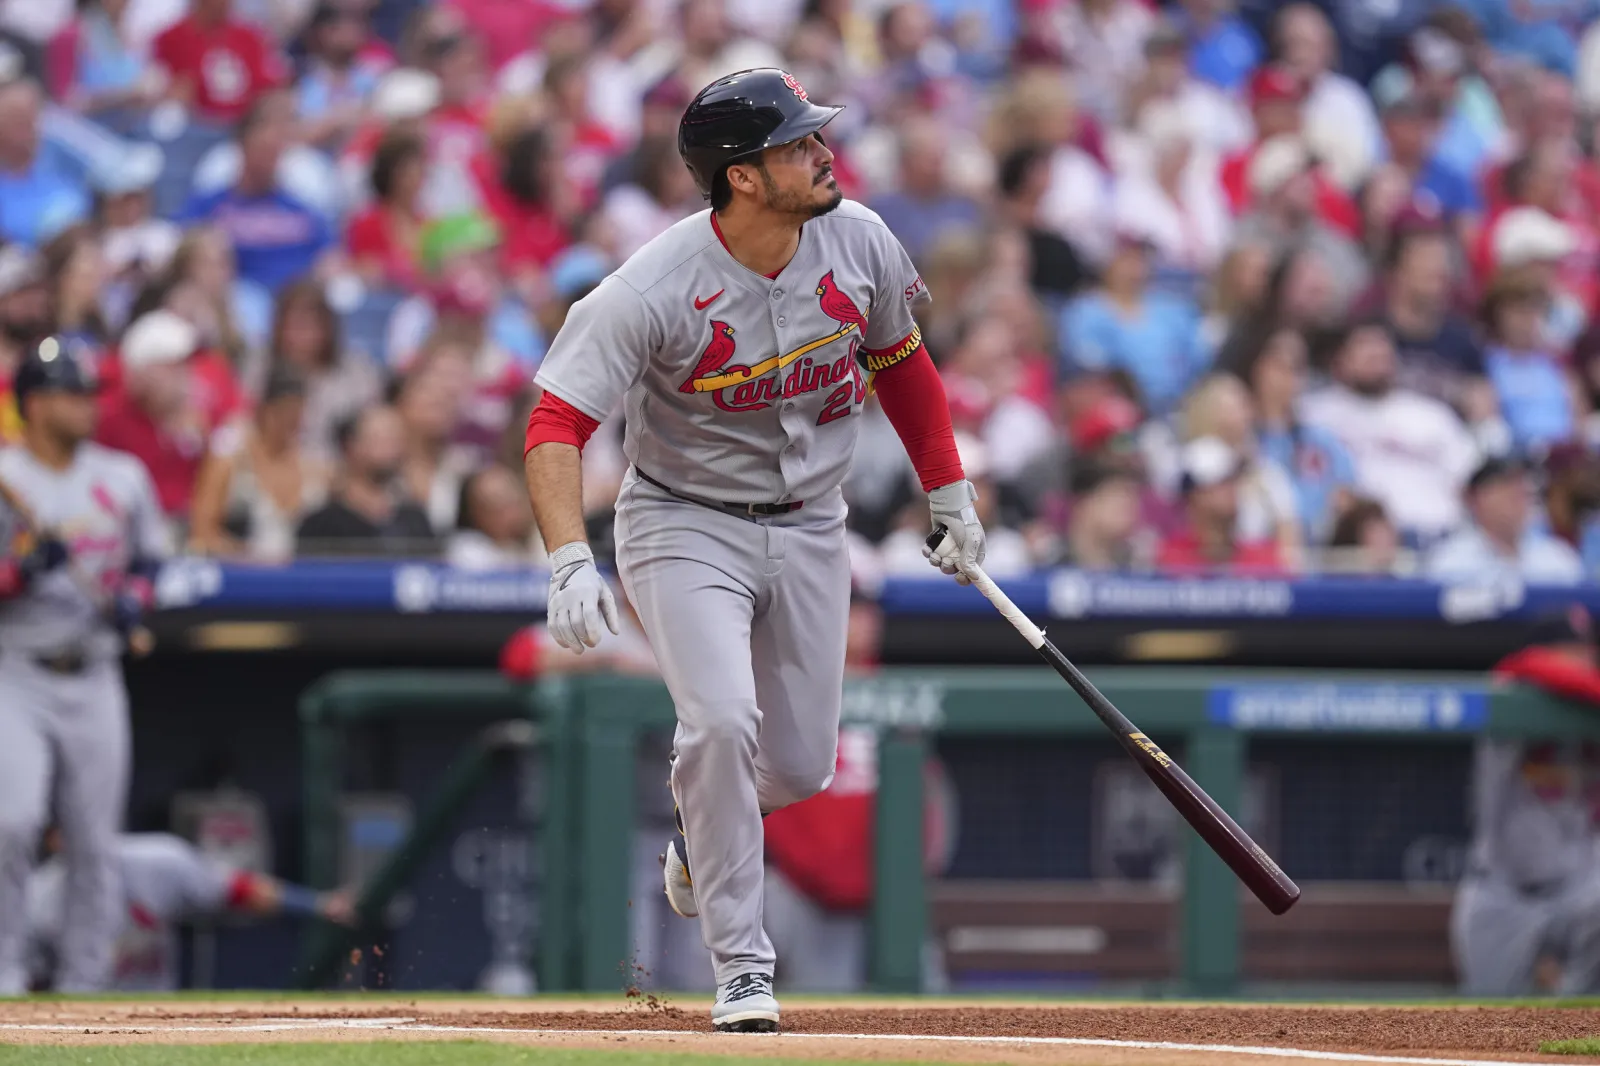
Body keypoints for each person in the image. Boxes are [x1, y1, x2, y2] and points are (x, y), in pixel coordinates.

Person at [522, 68, 985, 1033]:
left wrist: (948, 491)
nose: (824, 153)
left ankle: (699, 823)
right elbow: (556, 422)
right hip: (683, 519)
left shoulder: (861, 238)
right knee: (722, 723)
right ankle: (741, 969)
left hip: (813, 519)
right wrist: (568, 557)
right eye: (798, 144)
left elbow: (902, 360)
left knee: (801, 767)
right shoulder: (651, 285)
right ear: (741, 176)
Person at [0, 336, 166, 993]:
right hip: (16, 668)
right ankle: (5, 977)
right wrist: (18, 573)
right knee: (11, 821)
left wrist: (133, 600)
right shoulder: (8, 476)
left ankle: (84, 987)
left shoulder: (122, 476)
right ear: (36, 403)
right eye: (73, 393)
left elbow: (150, 562)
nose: (89, 404)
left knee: (96, 842)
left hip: (95, 670)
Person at [1455, 606, 1600, 995]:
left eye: (1585, 650)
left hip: (1581, 885)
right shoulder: (1511, 688)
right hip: (1502, 890)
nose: (1582, 659)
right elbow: (1521, 667)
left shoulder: (1592, 711)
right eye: (1568, 650)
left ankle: (1569, 1001)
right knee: (1488, 1020)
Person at [26, 831, 353, 991]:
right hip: (79, 1022)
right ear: (52, 839)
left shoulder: (155, 861)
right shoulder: (37, 897)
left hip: (154, 1014)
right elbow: (29, 988)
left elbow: (239, 890)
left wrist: (317, 905)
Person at [1300, 318, 1480, 545]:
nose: (1376, 354)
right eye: (1365, 347)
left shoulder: (1432, 414)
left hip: (1437, 537)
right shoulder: (1313, 413)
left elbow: (1469, 478)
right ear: (1340, 359)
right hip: (1351, 543)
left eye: (1382, 347)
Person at [179, 91, 336, 295]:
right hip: (231, 299)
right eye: (263, 149)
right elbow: (182, 246)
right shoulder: (210, 205)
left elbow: (330, 256)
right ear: (242, 147)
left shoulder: (300, 210)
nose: (269, 159)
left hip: (290, 301)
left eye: (275, 151)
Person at [187, 367, 329, 561]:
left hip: (298, 571)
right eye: (284, 415)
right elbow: (202, 534)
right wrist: (245, 556)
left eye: (297, 415)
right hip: (242, 569)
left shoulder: (313, 461)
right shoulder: (230, 455)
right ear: (265, 410)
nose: (292, 424)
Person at [296, 404, 435, 557]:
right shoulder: (321, 524)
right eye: (379, 439)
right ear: (350, 446)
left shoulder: (413, 519)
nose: (392, 449)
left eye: (396, 439)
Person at [1425, 456, 1583, 585]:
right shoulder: (1451, 562)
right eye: (1506, 484)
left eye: (1521, 485)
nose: (1517, 493)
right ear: (1475, 499)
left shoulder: (1558, 558)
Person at [1156, 434, 1284, 574]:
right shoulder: (1171, 560)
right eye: (1222, 482)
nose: (1232, 488)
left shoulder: (1263, 561)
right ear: (1195, 495)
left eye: (1233, 479)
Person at [151, 0, 288, 125]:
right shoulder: (171, 39)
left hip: (244, 128)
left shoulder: (249, 36)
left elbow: (269, 86)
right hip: (194, 126)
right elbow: (164, 89)